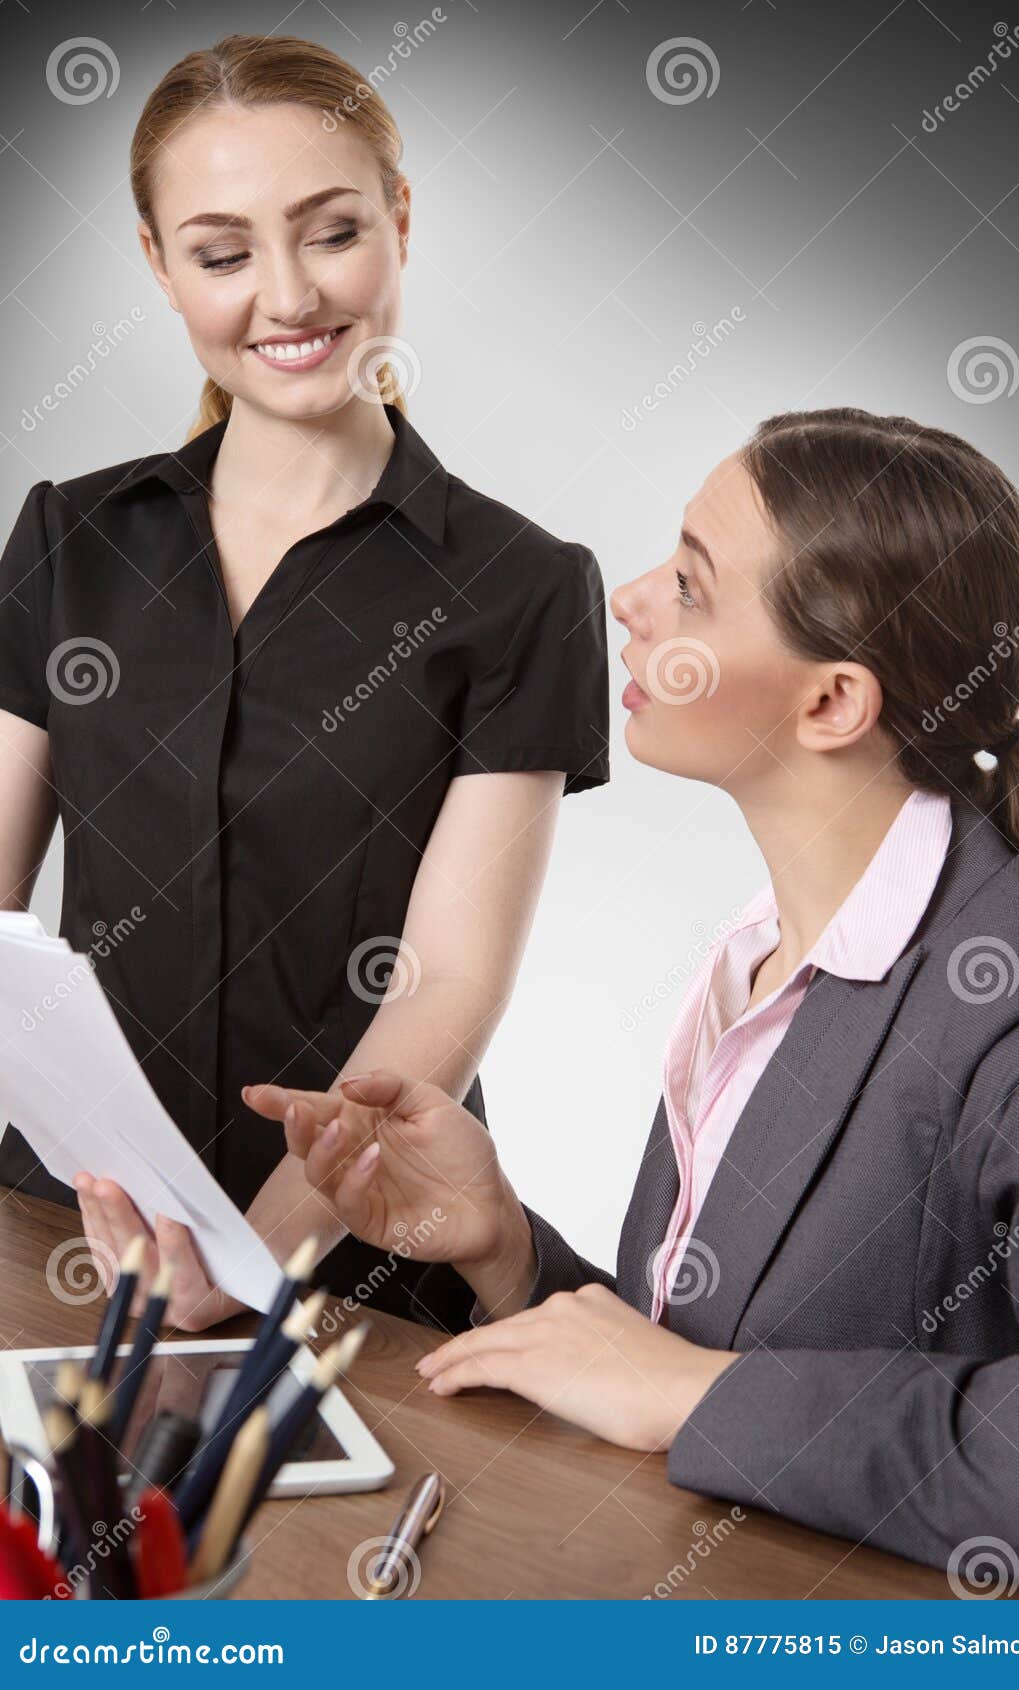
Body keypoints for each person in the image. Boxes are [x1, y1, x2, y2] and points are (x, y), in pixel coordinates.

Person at [252, 407, 1019, 1592]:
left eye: (689, 586)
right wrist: (508, 1247)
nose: (629, 598)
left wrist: (697, 1390)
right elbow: (685, 1363)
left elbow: (704, 1387)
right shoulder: (761, 956)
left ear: (831, 704)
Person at [0, 34, 609, 1328]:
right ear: (161, 268)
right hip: (60, 1227)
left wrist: (243, 1259)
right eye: (221, 254)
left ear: (399, 221)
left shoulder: (521, 588)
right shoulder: (69, 539)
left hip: (359, 1269)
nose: (285, 295)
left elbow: (444, 981)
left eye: (330, 232)